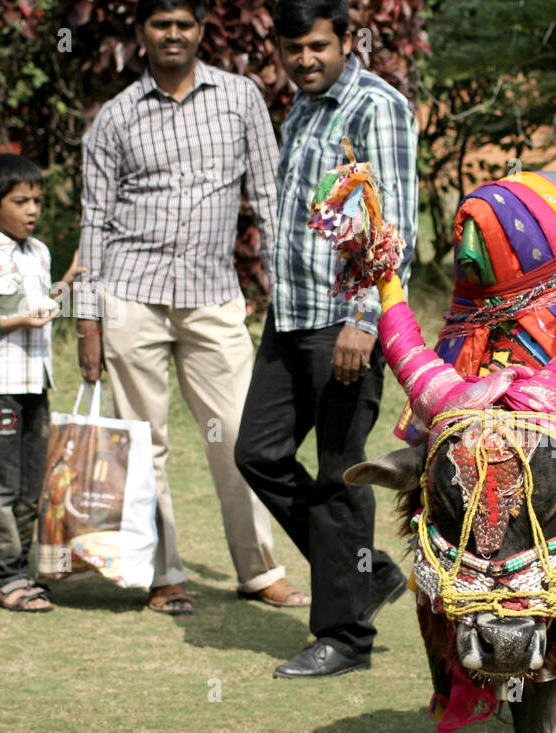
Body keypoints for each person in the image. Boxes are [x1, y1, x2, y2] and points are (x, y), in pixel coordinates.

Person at [75, 0, 307, 615]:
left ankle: (260, 571)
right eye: (160, 24)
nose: (172, 35)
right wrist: (86, 317)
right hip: (130, 294)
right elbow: (93, 223)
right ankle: (163, 572)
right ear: (142, 34)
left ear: (200, 32)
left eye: (183, 24)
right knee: (143, 442)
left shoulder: (240, 98)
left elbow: (270, 195)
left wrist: (287, 292)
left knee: (239, 437)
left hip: (212, 296)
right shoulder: (115, 116)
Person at [235, 0, 414, 678]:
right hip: (290, 318)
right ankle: (365, 574)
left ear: (348, 39)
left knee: (341, 471)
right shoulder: (304, 109)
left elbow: (393, 222)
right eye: (293, 49)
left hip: (345, 325)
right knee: (257, 451)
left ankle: (345, 636)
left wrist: (365, 318)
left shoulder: (377, 107)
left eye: (317, 46)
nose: (305, 60)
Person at [0, 154, 85, 612]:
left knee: (32, 487)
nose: (32, 211)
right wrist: (11, 323)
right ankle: (3, 578)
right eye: (21, 201)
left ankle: (21, 573)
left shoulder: (41, 252)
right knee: (1, 488)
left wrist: (64, 285)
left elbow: (42, 309)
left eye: (38, 201)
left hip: (34, 386)